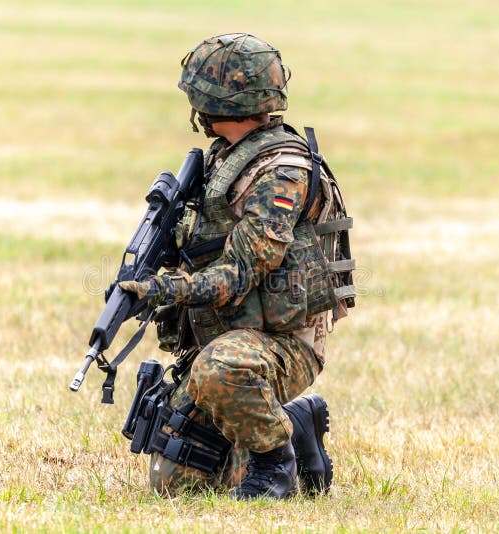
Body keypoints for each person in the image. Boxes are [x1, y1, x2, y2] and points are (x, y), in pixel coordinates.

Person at [119, 33, 354, 499]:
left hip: (282, 343)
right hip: (230, 336)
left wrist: (165, 290)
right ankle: (294, 425)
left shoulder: (282, 173)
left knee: (219, 370)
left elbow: (240, 274)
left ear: (221, 102)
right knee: (176, 482)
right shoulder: (226, 157)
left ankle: (276, 465)